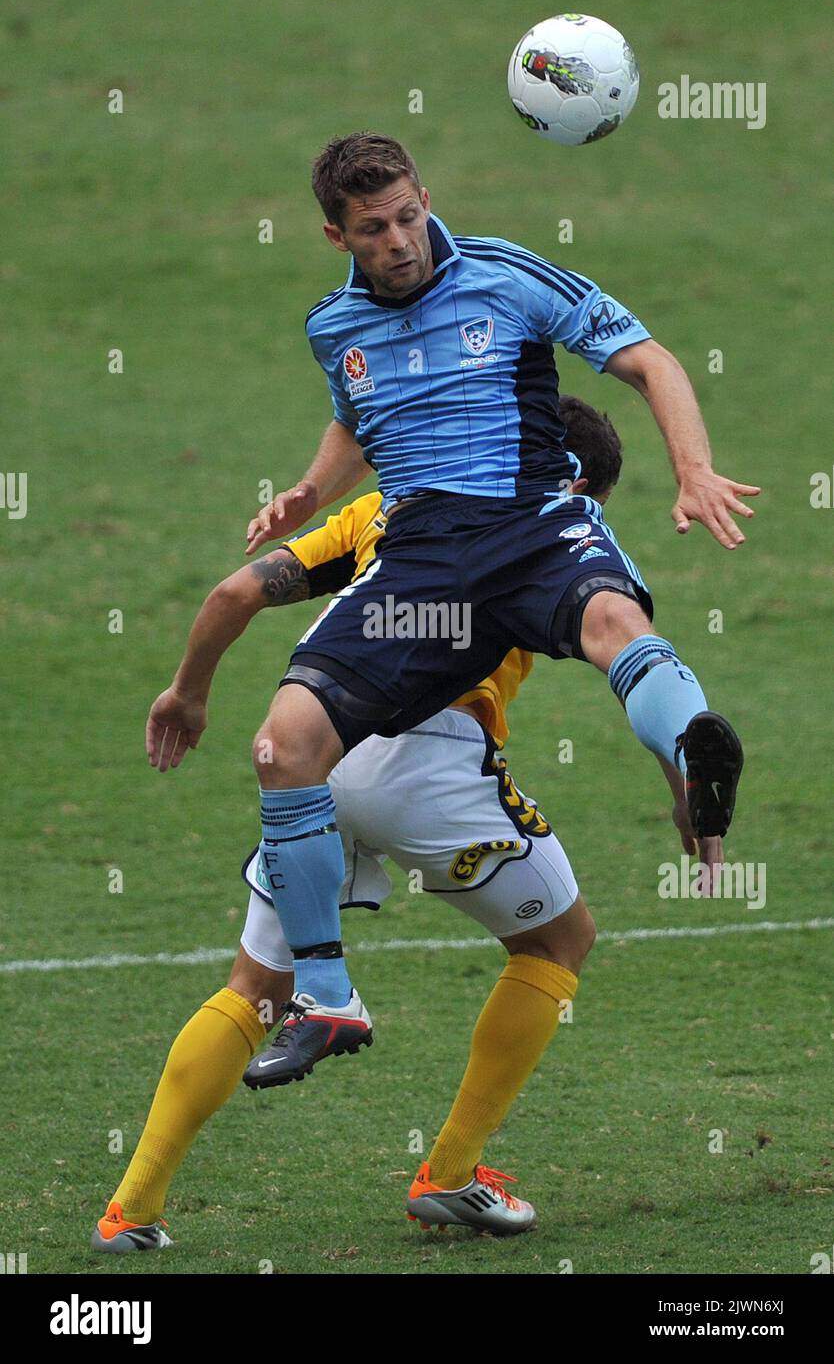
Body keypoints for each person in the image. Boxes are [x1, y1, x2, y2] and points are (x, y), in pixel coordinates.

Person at [93, 402, 715, 1248]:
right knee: (558, 944)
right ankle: (450, 1174)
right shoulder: (554, 526)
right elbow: (620, 641)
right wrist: (682, 780)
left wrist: (187, 691)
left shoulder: (392, 502)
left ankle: (131, 1209)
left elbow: (237, 590)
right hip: (432, 761)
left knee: (255, 986)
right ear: (581, 482)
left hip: (313, 749)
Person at [232, 132, 755, 1080]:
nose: (399, 240)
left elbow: (648, 359)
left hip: (529, 525)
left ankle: (693, 751)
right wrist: (312, 489)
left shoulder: (507, 275)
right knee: (284, 744)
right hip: (423, 562)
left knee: (614, 626)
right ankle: (327, 996)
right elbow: (361, 410)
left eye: (406, 216)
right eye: (373, 229)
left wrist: (695, 469)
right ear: (335, 235)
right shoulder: (332, 326)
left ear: (425, 197)